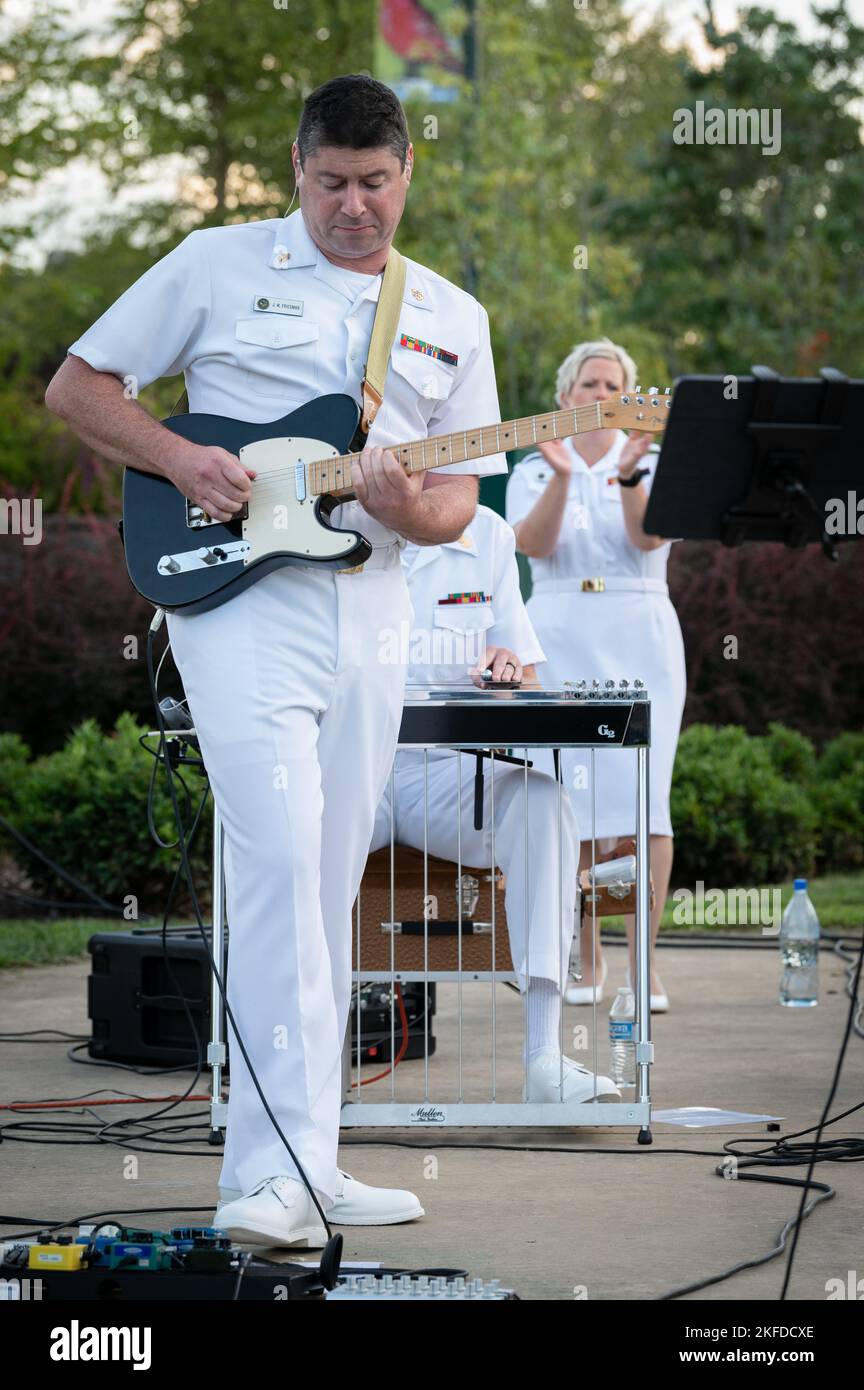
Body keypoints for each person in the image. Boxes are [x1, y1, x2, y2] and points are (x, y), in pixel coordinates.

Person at [45, 74, 509, 1247]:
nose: (355, 207)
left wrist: (416, 507)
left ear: (409, 171)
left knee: (327, 885)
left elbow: (458, 504)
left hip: (376, 605)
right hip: (237, 605)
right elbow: (78, 386)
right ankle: (257, 1177)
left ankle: (311, 1158)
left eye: (376, 183)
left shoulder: (450, 311)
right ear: (296, 168)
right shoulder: (216, 261)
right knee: (274, 865)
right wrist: (177, 458)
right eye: (332, 183)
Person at [368, 504, 620, 1102]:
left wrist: (508, 671)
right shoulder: (343, 518)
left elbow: (526, 678)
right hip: (360, 767)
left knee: (544, 803)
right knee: (295, 819)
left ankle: (544, 1060)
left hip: (457, 774)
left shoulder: (487, 533)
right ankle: (298, 1065)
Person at [505, 338, 686, 1013]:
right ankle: (588, 956)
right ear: (564, 397)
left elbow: (647, 541)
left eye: (613, 385)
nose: (599, 395)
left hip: (638, 629)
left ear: (631, 398)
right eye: (588, 384)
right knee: (569, 796)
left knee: (645, 799)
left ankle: (645, 966)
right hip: (557, 628)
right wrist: (560, 475)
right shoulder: (531, 463)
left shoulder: (656, 460)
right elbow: (533, 545)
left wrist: (632, 474)